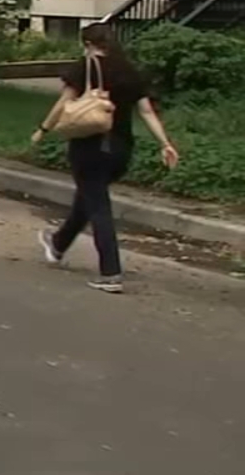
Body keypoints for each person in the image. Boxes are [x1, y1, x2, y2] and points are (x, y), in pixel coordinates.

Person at [31, 22, 179, 293]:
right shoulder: (129, 71)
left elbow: (64, 103)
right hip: (121, 150)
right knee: (89, 197)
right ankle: (58, 244)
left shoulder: (85, 68)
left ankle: (110, 272)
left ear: (88, 44)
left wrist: (43, 130)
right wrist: (165, 143)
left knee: (98, 206)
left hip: (89, 148)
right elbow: (146, 112)